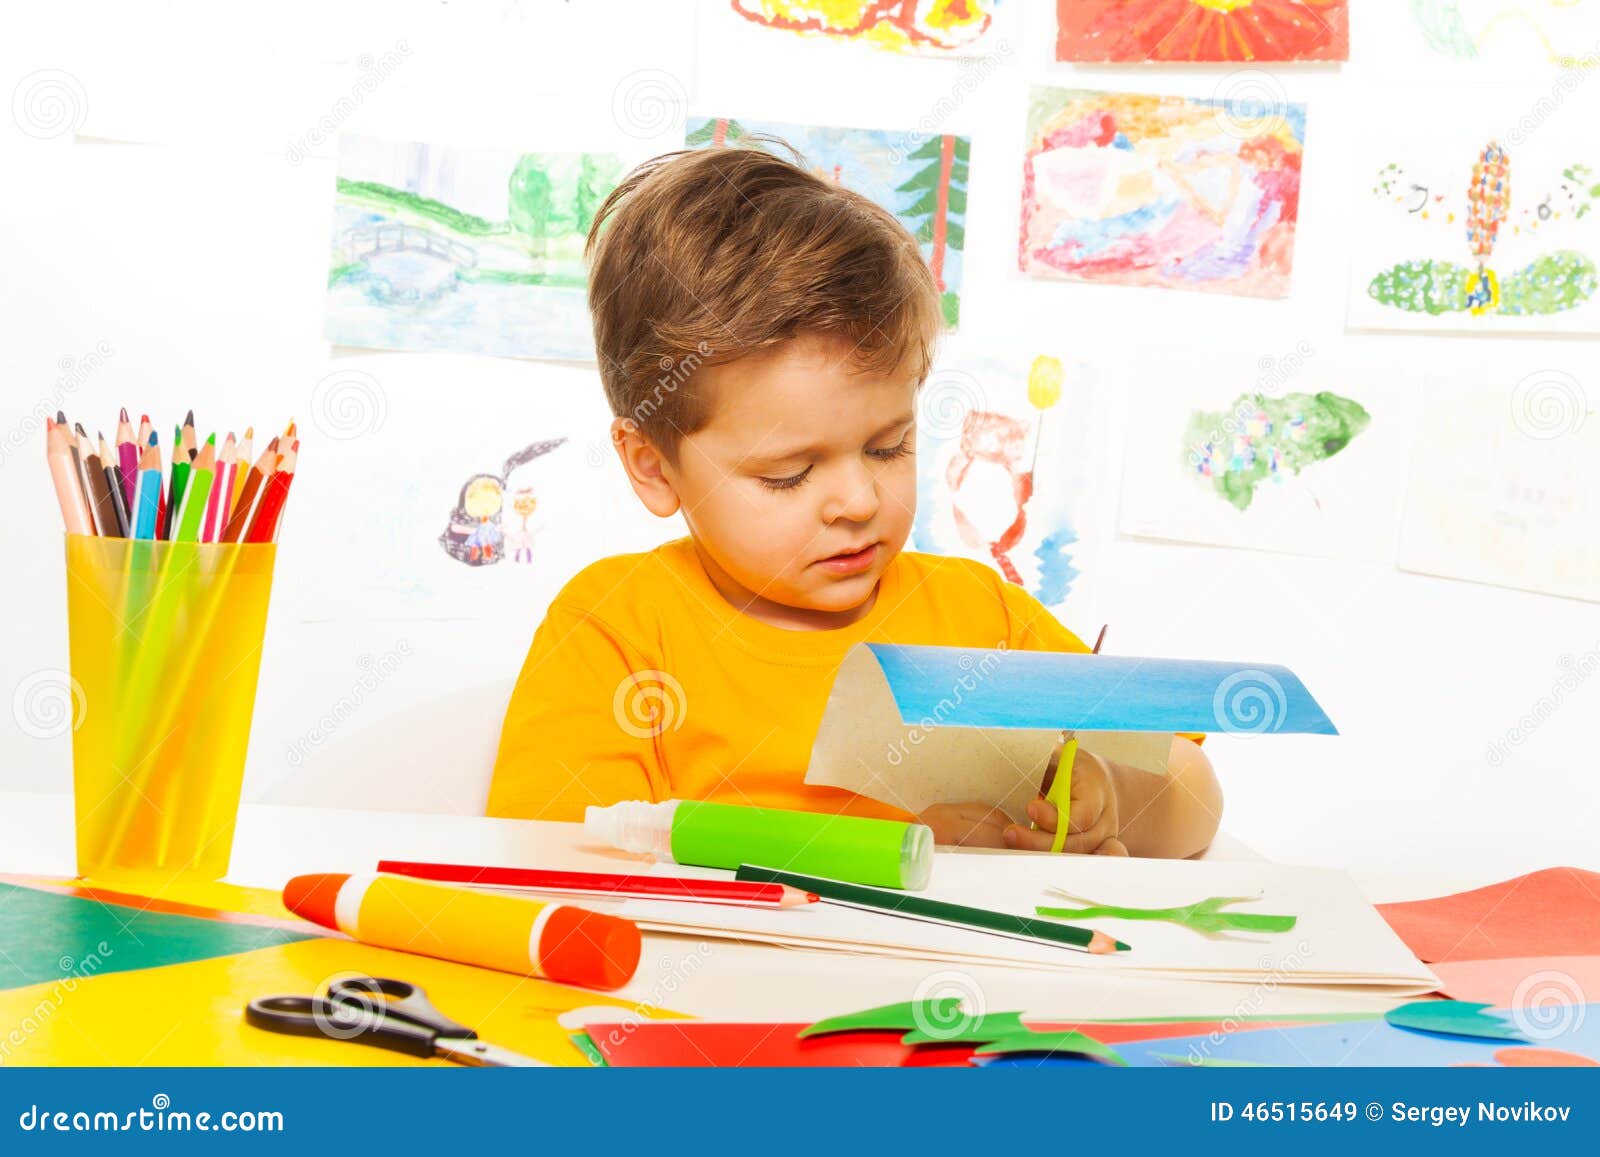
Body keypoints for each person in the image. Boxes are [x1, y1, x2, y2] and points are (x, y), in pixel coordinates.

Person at [488, 142, 1221, 858]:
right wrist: (900, 851)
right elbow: (557, 851)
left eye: (887, 446)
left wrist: (1114, 801)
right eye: (789, 474)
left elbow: (1193, 787)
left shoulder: (978, 618)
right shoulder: (618, 626)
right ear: (653, 465)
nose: (858, 501)